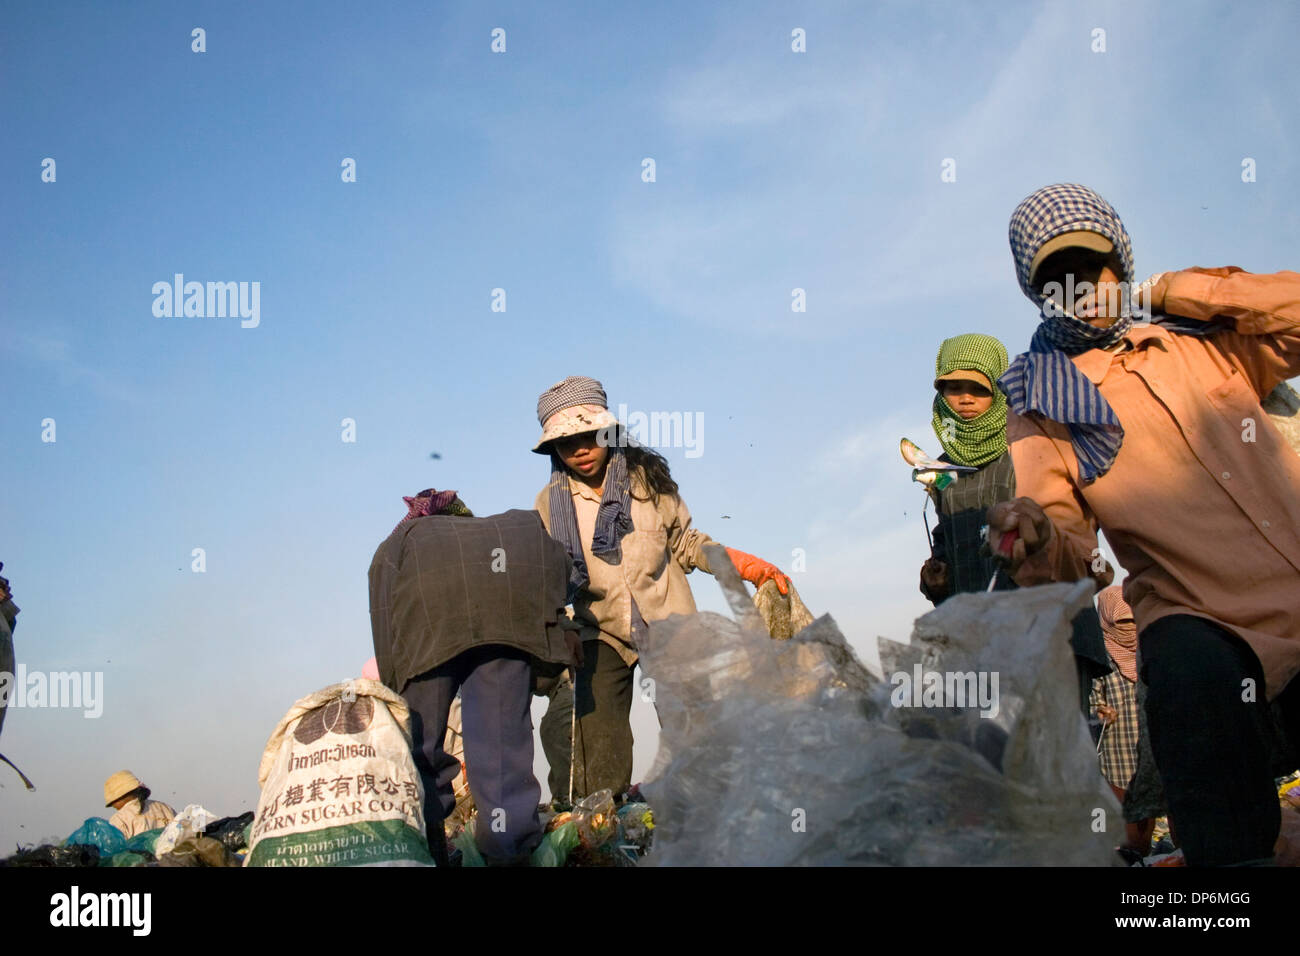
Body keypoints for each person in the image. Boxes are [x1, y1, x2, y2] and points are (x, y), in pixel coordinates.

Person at [988, 182, 1300, 866]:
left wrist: (1171, 291)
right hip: (1205, 620)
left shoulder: (1200, 342)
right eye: (1057, 277)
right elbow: (1068, 549)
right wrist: (1034, 537)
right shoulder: (1042, 398)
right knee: (1189, 675)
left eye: (1092, 267)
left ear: (1121, 261)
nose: (1080, 288)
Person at [531, 376, 789, 800]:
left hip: (668, 621)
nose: (579, 449)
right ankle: (607, 836)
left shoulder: (646, 483)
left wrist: (743, 566)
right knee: (599, 755)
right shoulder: (548, 504)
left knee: (697, 739)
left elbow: (687, 543)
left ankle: (709, 822)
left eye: (588, 436)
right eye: (565, 442)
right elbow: (547, 580)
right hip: (600, 631)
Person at [368, 488, 580, 866]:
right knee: (502, 743)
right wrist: (561, 633)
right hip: (506, 612)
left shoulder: (399, 545)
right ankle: (510, 851)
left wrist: (396, 682)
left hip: (429, 623)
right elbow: (558, 571)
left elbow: (386, 621)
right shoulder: (503, 539)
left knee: (421, 743)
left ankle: (428, 848)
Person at [917, 334, 1110, 713]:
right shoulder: (941, 471)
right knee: (993, 764)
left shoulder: (1035, 443)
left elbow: (1078, 530)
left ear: (999, 388)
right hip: (977, 646)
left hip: (1049, 632)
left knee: (1056, 761)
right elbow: (947, 544)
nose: (965, 398)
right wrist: (936, 580)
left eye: (978, 387)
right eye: (953, 387)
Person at [1089, 586, 1156, 858]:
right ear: (1107, 618)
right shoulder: (1100, 657)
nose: (1129, 629)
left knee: (1147, 832)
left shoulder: (1147, 650)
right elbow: (1090, 700)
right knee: (1129, 840)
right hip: (1118, 762)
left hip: (1151, 759)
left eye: (1132, 620)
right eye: (1122, 622)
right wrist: (1101, 710)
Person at [104, 771, 176, 838]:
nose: (114, 807)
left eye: (113, 803)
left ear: (119, 798)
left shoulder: (119, 819)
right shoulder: (165, 808)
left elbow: (115, 849)